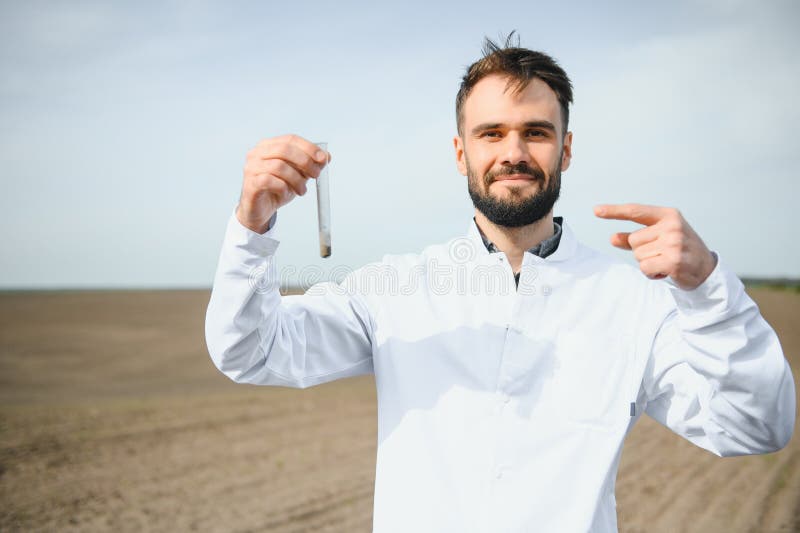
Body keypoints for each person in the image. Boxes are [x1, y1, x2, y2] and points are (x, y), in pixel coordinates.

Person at [205, 35, 795, 533]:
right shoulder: (394, 288)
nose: (514, 153)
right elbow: (250, 352)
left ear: (566, 150)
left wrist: (709, 288)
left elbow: (754, 426)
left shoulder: (636, 304)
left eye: (536, 132)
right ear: (461, 153)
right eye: (491, 133)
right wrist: (252, 223)